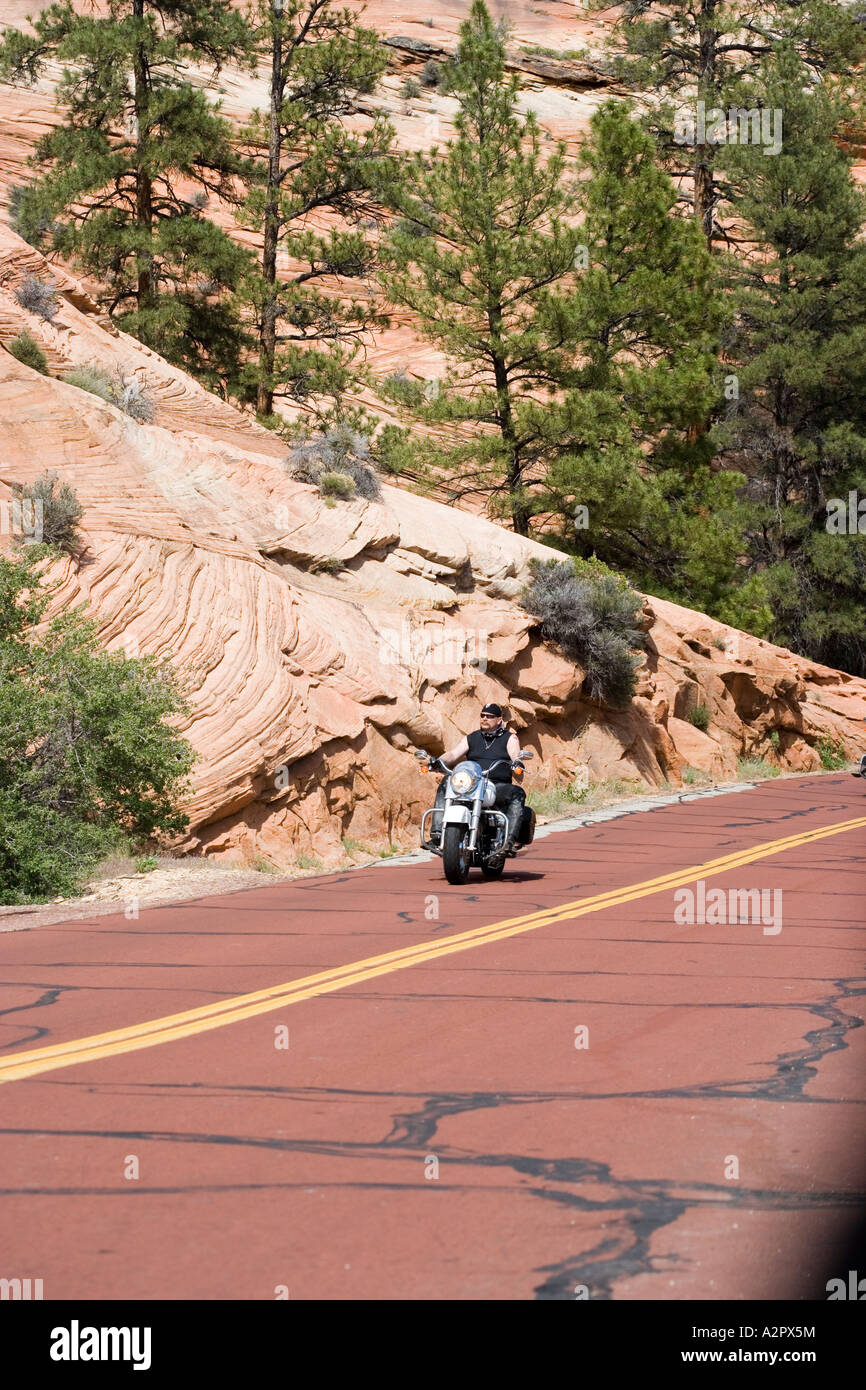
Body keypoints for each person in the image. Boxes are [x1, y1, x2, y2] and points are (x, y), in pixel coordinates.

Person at [430, 702, 526, 857]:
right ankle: (437, 833)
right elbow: (454, 754)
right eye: (482, 715)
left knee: (518, 793)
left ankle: (509, 841)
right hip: (471, 784)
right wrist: (438, 761)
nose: (484, 718)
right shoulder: (472, 737)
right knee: (446, 782)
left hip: (496, 785)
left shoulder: (510, 738)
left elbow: (515, 754)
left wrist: (517, 762)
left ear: (499, 720)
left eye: (489, 716)